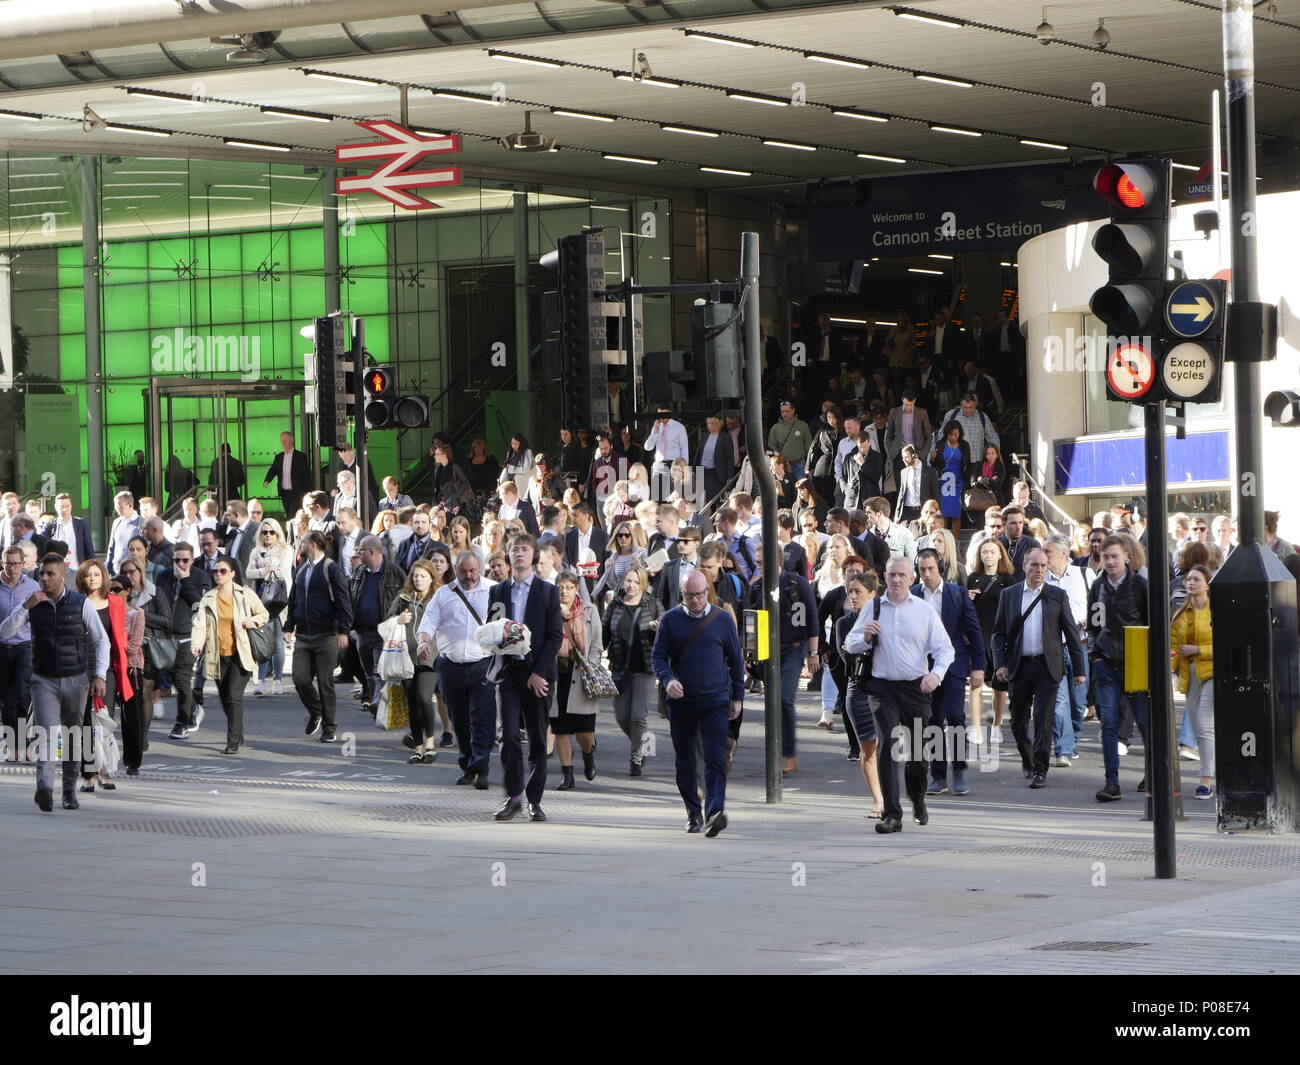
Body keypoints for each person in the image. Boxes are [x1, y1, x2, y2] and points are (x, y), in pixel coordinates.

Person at [844, 557, 954, 834]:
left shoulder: (924, 611)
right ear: (885, 577)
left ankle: (917, 800)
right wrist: (865, 637)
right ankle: (892, 813)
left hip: (916, 687)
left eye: (901, 575)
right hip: (882, 689)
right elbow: (850, 644)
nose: (896, 580)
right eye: (891, 574)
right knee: (888, 747)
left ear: (911, 579)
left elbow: (945, 650)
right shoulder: (874, 607)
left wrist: (935, 675)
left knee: (918, 755)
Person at [1, 554, 110, 810]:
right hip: (43, 678)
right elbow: (5, 632)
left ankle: (69, 791)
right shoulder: (34, 603)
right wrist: (25, 606)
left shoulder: (80, 603)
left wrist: (100, 675)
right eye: (41, 574)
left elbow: (101, 640)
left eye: (50, 574)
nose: (44, 579)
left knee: (73, 736)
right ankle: (45, 788)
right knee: (46, 734)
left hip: (76, 679)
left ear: (63, 576)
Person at [651, 571, 744, 835]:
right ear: (682, 595)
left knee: (716, 758)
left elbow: (736, 661)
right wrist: (668, 680)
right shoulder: (670, 620)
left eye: (700, 594)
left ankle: (714, 811)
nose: (696, 600)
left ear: (708, 592)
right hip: (682, 702)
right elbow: (657, 658)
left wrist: (737, 696)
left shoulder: (722, 619)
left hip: (715, 699)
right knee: (686, 761)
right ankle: (693, 812)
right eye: (690, 595)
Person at [991, 549, 1085, 790]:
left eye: (1044, 565)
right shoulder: (1009, 595)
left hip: (1048, 667)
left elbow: (1072, 635)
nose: (1039, 570)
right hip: (1020, 667)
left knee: (1043, 718)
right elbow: (998, 633)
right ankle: (1027, 757)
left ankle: (1040, 770)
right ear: (1024, 566)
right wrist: (1000, 663)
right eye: (1034, 565)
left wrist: (1079, 670)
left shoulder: (1057, 595)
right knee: (1018, 721)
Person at [487, 534, 563, 823]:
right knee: (506, 734)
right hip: (508, 672)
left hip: (538, 674)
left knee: (538, 739)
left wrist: (538, 673)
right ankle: (514, 795)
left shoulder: (547, 591)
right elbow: (491, 629)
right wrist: (497, 640)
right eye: (515, 549)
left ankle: (535, 799)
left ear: (533, 556)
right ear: (508, 555)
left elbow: (555, 636)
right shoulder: (498, 592)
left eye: (525, 549)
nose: (519, 553)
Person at [910, 549, 986, 797]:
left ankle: (959, 771)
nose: (926, 574)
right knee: (933, 721)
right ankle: (938, 775)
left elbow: (974, 632)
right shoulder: (914, 595)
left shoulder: (957, 593)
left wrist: (978, 667)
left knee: (955, 717)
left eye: (931, 569)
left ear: (939, 568)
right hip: (925, 668)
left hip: (954, 664)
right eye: (922, 569)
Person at [419, 550, 496, 789]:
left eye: (473, 570)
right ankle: (467, 765)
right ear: (456, 570)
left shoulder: (494, 590)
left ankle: (481, 767)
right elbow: (429, 621)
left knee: (482, 719)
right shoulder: (444, 593)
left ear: (481, 569)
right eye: (463, 571)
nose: (468, 576)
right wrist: (423, 641)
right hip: (450, 666)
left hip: (483, 663)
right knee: (458, 718)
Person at [1088, 534, 1149, 802]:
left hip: (1136, 662)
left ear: (1127, 557)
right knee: (1109, 723)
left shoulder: (1139, 586)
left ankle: (1153, 773)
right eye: (1105, 556)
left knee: (1145, 722)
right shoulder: (1098, 587)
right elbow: (1093, 625)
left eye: (1114, 556)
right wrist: (1096, 655)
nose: (1109, 561)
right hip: (1106, 663)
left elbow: (1152, 623)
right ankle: (1111, 782)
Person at [190, 555, 269, 755]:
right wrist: (196, 645)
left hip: (240, 654)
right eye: (215, 571)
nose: (218, 574)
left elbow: (264, 614)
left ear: (233, 573)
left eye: (223, 571)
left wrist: (252, 621)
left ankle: (232, 740)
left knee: (234, 696)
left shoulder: (245, 594)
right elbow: (200, 625)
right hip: (217, 655)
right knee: (225, 697)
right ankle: (238, 731)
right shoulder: (209, 597)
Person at [283, 531, 352, 743]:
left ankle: (329, 727)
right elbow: (294, 599)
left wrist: (343, 630)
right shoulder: (302, 569)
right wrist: (289, 626)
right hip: (304, 635)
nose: (300, 545)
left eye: (302, 542)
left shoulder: (331, 569)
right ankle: (316, 712)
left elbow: (343, 600)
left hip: (326, 635)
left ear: (312, 544)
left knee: (325, 682)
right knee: (300, 679)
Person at [73, 559, 133, 795]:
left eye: (97, 574)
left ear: (104, 577)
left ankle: (104, 771)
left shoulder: (114, 603)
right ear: (82, 578)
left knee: (104, 719)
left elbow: (117, 636)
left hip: (106, 668)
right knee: (85, 723)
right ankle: (88, 774)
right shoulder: (76, 602)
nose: (93, 579)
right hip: (79, 668)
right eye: (88, 575)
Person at [604, 566, 663, 776]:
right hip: (620, 667)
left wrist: (657, 630)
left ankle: (635, 759)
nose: (631, 585)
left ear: (643, 584)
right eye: (628, 581)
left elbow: (666, 634)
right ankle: (642, 742)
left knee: (638, 716)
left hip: (645, 668)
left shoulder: (653, 604)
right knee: (621, 716)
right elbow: (604, 633)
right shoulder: (615, 605)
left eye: (636, 582)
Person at [115, 557, 170, 774]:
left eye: (132, 571)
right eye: (124, 571)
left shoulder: (152, 594)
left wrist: (145, 618)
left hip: (142, 655)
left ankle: (139, 743)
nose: (129, 575)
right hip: (113, 662)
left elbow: (167, 621)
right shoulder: (109, 606)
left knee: (141, 701)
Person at [552, 569, 604, 789]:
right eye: (560, 587)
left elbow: (597, 644)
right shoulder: (550, 611)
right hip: (557, 673)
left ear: (576, 589)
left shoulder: (589, 611)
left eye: (569, 587)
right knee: (560, 728)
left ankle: (588, 752)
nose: (564, 592)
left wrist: (591, 666)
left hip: (581, 674)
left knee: (584, 731)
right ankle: (567, 773)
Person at [388, 560, 442, 765]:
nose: (418, 579)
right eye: (415, 576)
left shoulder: (438, 599)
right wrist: (398, 620)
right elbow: (385, 624)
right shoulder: (403, 599)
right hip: (406, 658)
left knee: (424, 697)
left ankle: (430, 745)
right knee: (412, 704)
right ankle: (418, 748)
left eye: (423, 576)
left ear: (431, 578)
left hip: (429, 658)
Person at [1043, 533, 1090, 767]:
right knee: (1059, 700)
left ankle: (1073, 740)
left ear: (1063, 554)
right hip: (1053, 649)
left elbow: (1098, 606)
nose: (1045, 556)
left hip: (1080, 647)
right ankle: (1063, 748)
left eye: (1048, 552)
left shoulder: (1084, 574)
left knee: (1078, 701)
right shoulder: (1041, 579)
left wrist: (1091, 620)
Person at [1171, 565, 1216, 800]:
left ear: (1207, 584)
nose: (1191, 583)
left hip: (1212, 672)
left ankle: (1205, 781)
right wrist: (1172, 662)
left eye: (1196, 579)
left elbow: (1226, 643)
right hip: (1190, 674)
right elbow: (1174, 644)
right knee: (1200, 727)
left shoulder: (1215, 611)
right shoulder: (1182, 613)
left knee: (1205, 723)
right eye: (1188, 579)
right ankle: (1213, 771)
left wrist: (1198, 649)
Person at [348, 536, 406, 716]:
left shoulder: (395, 573)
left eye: (361, 551)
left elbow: (405, 599)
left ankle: (377, 703)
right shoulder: (358, 572)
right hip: (362, 632)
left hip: (384, 632)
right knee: (368, 672)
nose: (359, 554)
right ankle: (378, 703)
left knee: (378, 670)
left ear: (371, 551)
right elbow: (351, 597)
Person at [965, 538, 1013, 745]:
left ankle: (996, 725)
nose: (988, 555)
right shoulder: (973, 578)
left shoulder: (1008, 580)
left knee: (998, 684)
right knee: (975, 682)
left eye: (992, 552)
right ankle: (976, 727)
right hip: (977, 634)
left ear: (1000, 554)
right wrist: (967, 597)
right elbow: (966, 609)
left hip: (999, 635)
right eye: (984, 552)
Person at [0, 546, 38, 753]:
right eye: (8, 563)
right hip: (1, 647)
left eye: (16, 563)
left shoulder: (32, 587)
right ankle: (12, 741)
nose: (12, 568)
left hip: (24, 647)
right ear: (2, 563)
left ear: (23, 564)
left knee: (23, 695)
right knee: (7, 699)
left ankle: (22, 739)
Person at [931, 420, 970, 534]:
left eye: (955, 434)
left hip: (958, 482)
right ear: (946, 434)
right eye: (950, 434)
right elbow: (935, 464)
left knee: (956, 512)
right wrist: (932, 458)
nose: (953, 437)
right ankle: (943, 536)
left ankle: (955, 541)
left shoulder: (964, 446)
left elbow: (968, 464)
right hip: (944, 481)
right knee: (944, 510)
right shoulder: (941, 444)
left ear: (960, 434)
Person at [263, 431, 311, 518]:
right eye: (282, 441)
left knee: (292, 515)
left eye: (285, 441)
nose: (283, 443)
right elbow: (273, 470)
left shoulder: (301, 456)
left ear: (291, 440)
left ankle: (290, 531)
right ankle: (291, 530)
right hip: (284, 492)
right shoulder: (279, 457)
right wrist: (267, 480)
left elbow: (306, 475)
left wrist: (308, 492)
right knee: (288, 513)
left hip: (297, 492)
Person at [41, 493, 95, 569]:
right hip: (56, 570)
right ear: (55, 507)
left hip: (77, 569)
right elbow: (41, 548)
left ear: (71, 506)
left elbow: (89, 549)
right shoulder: (49, 525)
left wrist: (91, 567)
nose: (64, 509)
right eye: (62, 506)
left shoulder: (81, 524)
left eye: (67, 506)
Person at [768, 399, 812, 481]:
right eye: (783, 411)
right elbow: (772, 447)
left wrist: (809, 465)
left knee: (801, 490)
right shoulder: (775, 428)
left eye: (787, 411)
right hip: (782, 466)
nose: (785, 414)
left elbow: (809, 446)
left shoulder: (802, 425)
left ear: (793, 410)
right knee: (783, 491)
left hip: (799, 465)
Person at [997, 504, 1041, 582]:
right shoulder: (996, 544)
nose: (1018, 527)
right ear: (1004, 524)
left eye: (1020, 523)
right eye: (1013, 523)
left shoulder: (1033, 544)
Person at [499, 434, 535, 501]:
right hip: (513, 477)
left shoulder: (527, 452)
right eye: (512, 443)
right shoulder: (510, 453)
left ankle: (521, 501)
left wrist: (511, 468)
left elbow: (525, 469)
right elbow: (507, 467)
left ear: (521, 444)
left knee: (518, 477)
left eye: (516, 444)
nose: (514, 446)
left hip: (526, 476)